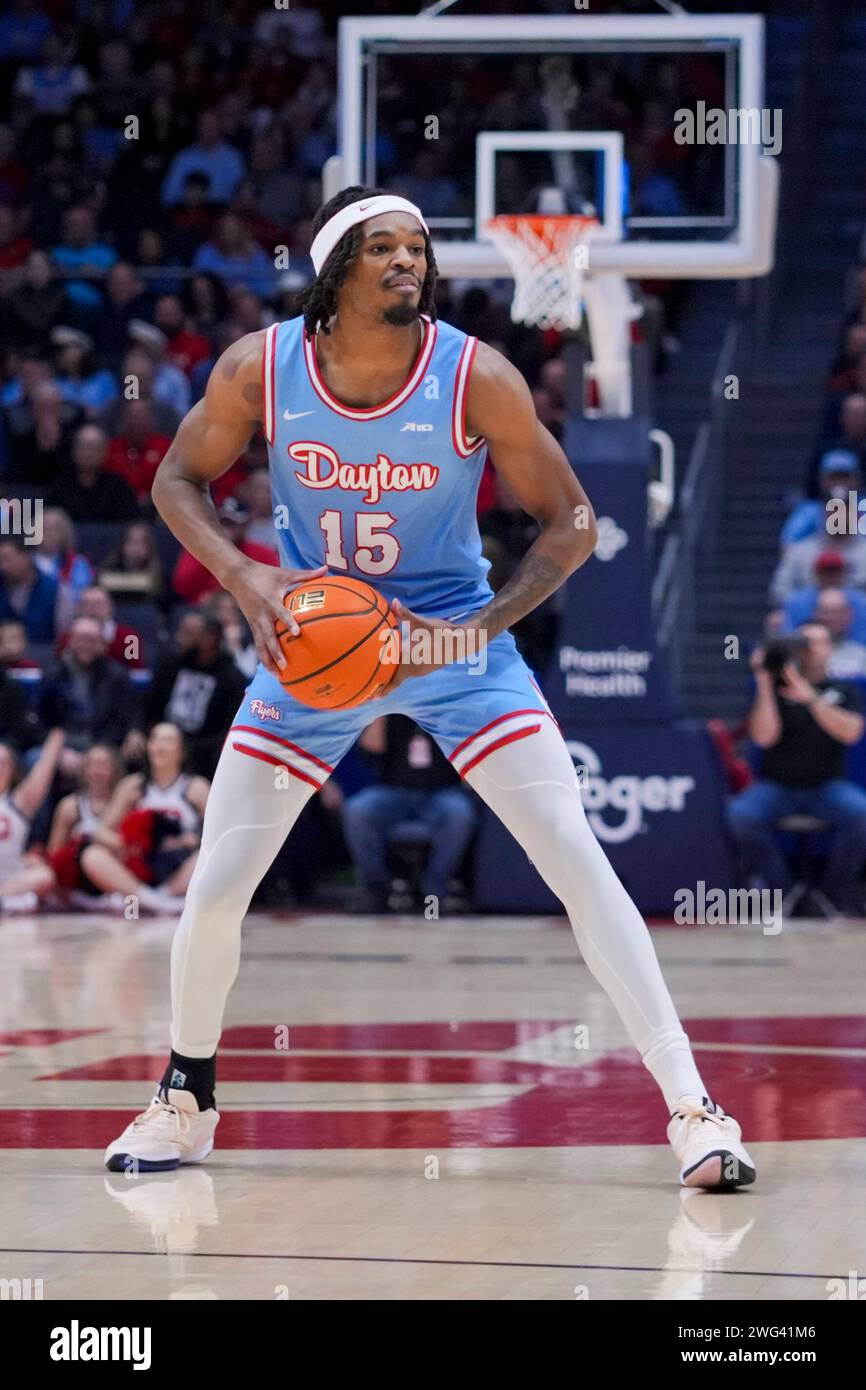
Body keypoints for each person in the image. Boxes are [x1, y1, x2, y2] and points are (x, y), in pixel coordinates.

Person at [104, 186, 755, 1191]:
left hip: (453, 645)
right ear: (334, 272)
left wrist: (476, 629)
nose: (408, 260)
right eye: (382, 247)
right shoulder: (261, 367)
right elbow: (174, 481)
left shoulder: (472, 376)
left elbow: (573, 524)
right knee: (218, 886)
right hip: (312, 642)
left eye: (416, 246)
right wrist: (248, 576)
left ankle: (693, 1110)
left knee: (574, 859)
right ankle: (185, 1100)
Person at [727, 624, 866, 915]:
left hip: (826, 785)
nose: (809, 649)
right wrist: (764, 683)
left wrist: (810, 698)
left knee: (862, 815)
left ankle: (831, 894)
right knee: (741, 815)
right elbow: (763, 737)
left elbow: (851, 733)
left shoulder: (843, 690)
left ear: (830, 649)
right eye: (803, 642)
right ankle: (784, 891)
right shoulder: (775, 690)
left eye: (816, 643)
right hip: (778, 786)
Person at [343, 716, 476, 911]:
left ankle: (434, 889)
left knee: (460, 813)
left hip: (441, 791)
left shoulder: (443, 704)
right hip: (393, 791)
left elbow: (467, 748)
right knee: (358, 810)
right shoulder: (390, 702)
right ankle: (376, 889)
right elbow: (370, 750)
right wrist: (382, 707)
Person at [80, 723, 208, 916]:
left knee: (206, 858)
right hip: (140, 866)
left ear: (181, 752)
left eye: (167, 740)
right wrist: (128, 843)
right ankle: (152, 900)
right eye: (155, 739)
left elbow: (219, 834)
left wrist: (190, 841)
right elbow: (100, 831)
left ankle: (161, 896)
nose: (159, 746)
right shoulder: (133, 786)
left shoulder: (195, 786)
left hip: (178, 865)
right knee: (92, 855)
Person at [145, 611, 246, 778]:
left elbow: (228, 731)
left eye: (187, 633)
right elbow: (149, 708)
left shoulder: (232, 678)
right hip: (162, 741)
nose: (179, 638)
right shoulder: (169, 665)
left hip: (204, 756)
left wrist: (187, 748)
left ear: (209, 639)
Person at [0, 727, 65, 913]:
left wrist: (57, 731)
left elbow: (45, 767)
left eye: (3, 763)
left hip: (13, 878)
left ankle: (4, 898)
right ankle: (8, 901)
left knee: (45, 876)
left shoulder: (18, 802)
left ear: (12, 771)